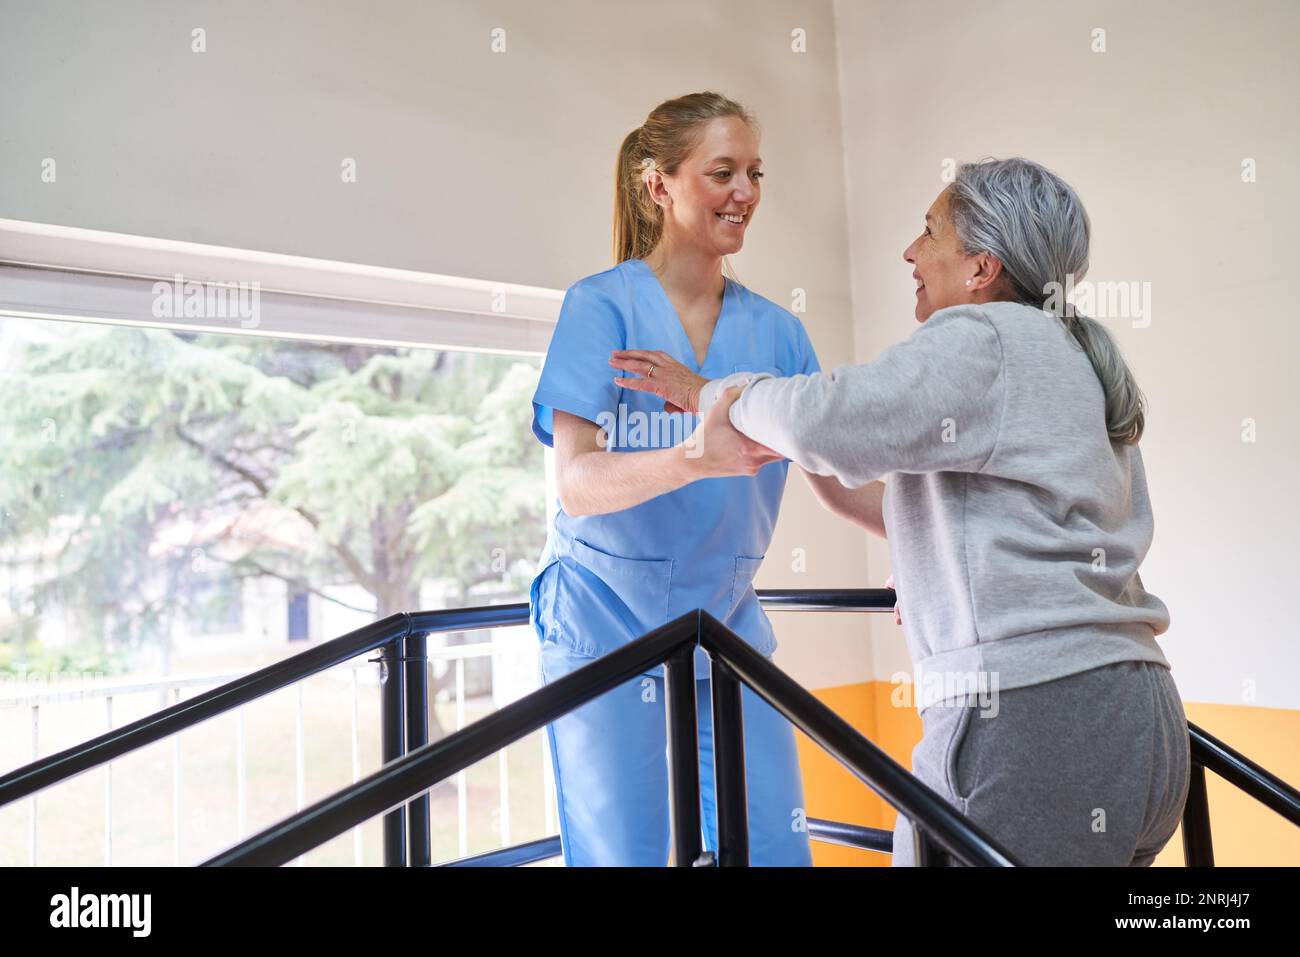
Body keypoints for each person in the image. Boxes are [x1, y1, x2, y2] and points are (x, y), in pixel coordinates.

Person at [617, 156, 1190, 866]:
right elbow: (954, 509)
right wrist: (812, 460)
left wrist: (714, 393)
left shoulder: (987, 338)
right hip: (1141, 720)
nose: (911, 251)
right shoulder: (1070, 353)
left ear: (982, 267)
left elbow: (827, 418)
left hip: (1035, 716)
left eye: (930, 231)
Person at [529, 91, 879, 866]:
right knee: (629, 852)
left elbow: (836, 477)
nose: (746, 192)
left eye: (755, 172)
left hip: (727, 619)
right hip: (603, 618)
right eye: (723, 172)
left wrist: (941, 552)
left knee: (773, 848)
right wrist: (695, 456)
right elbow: (577, 485)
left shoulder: (779, 332)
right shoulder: (599, 307)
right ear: (660, 184)